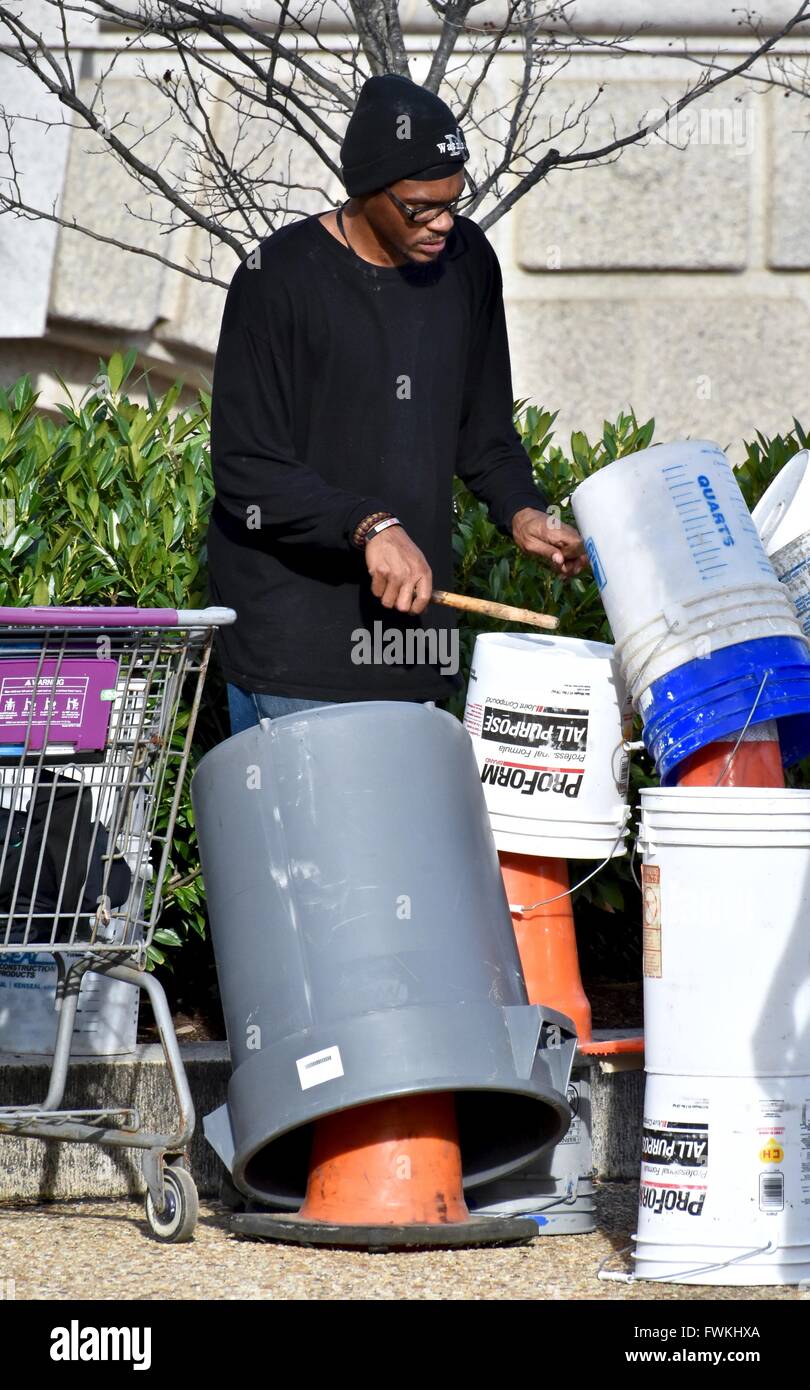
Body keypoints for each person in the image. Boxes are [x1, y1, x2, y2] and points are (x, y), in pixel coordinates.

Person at [208, 74, 587, 735]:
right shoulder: (277, 279)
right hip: (296, 648)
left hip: (412, 643)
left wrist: (522, 512)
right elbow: (247, 469)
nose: (442, 222)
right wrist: (370, 527)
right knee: (313, 844)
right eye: (420, 207)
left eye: (453, 202)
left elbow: (485, 432)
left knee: (406, 842)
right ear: (366, 194)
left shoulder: (467, 261)